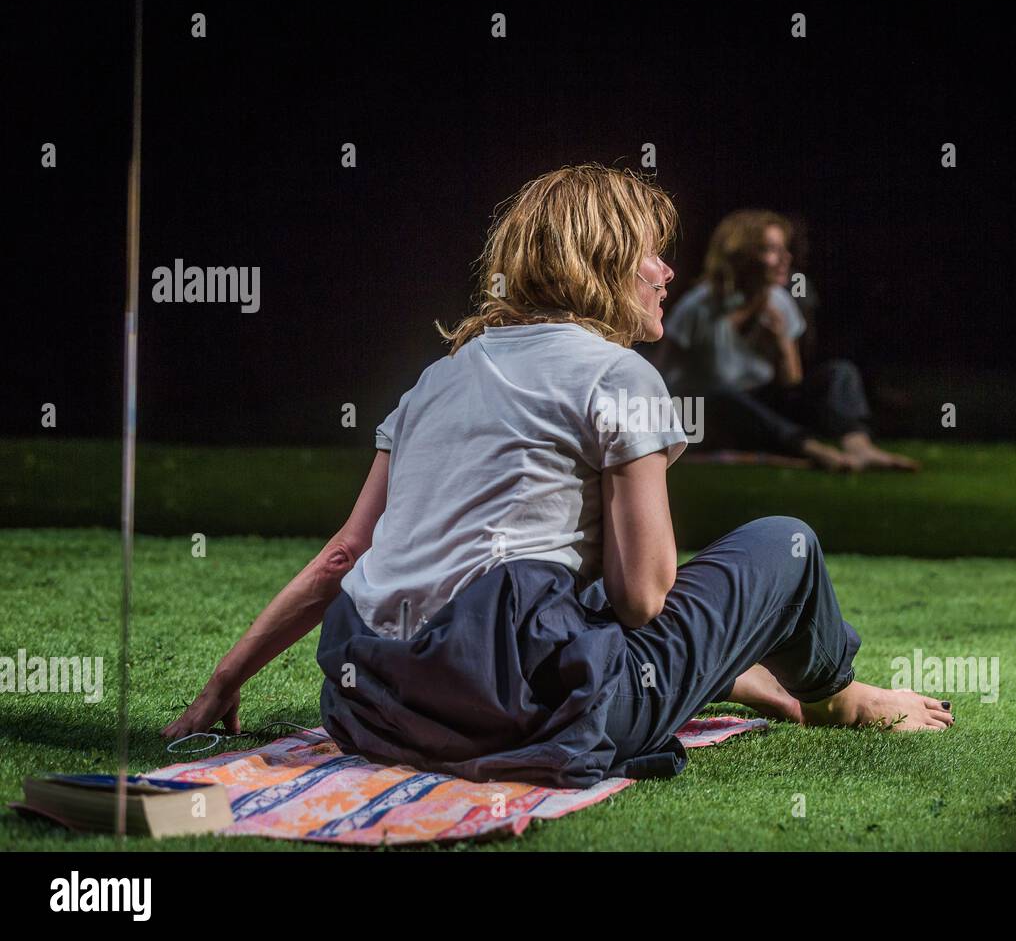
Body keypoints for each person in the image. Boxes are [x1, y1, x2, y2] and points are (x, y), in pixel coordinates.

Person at [161, 165, 950, 790]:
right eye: (650, 249)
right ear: (602, 261)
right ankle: (839, 696)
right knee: (788, 542)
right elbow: (643, 597)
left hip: (376, 711)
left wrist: (224, 681)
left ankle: (739, 678)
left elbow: (344, 557)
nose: (668, 270)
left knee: (549, 585)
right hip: (524, 712)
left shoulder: (437, 379)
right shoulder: (621, 375)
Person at [655, 209, 920, 472]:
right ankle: (812, 449)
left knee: (840, 372)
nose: (786, 258)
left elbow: (792, 382)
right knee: (722, 397)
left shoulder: (779, 301)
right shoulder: (699, 307)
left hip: (763, 407)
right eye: (771, 250)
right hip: (715, 414)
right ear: (742, 255)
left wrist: (782, 341)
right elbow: (663, 376)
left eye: (784, 249)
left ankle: (859, 447)